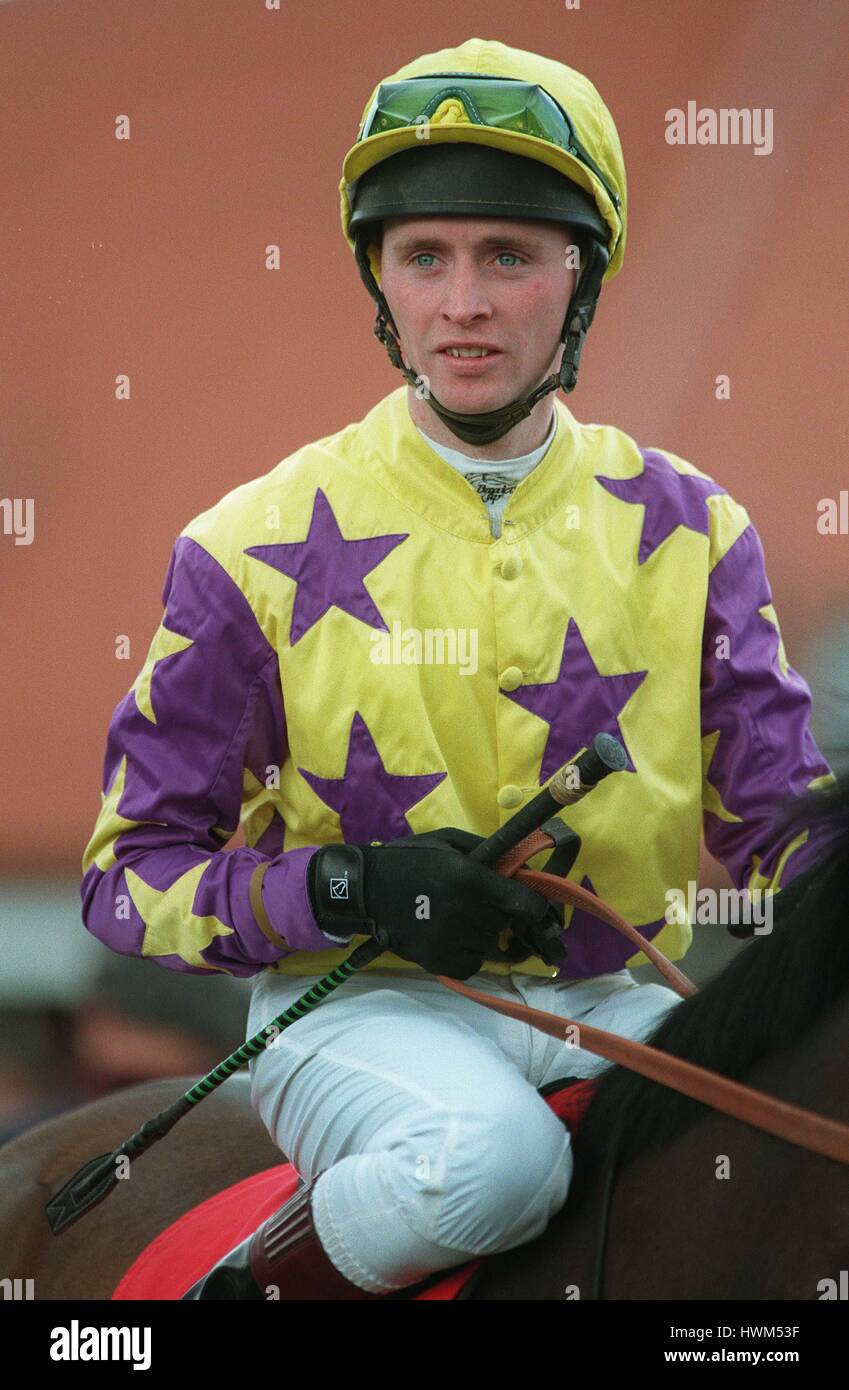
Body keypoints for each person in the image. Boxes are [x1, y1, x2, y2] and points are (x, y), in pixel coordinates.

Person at [80, 37, 836, 1300]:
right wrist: (347, 885)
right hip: (360, 1019)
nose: (465, 304)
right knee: (495, 1163)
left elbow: (784, 835)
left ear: (579, 279)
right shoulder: (243, 546)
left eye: (509, 257)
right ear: (380, 280)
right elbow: (124, 879)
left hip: (621, 1003)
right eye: (423, 256)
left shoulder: (700, 530)